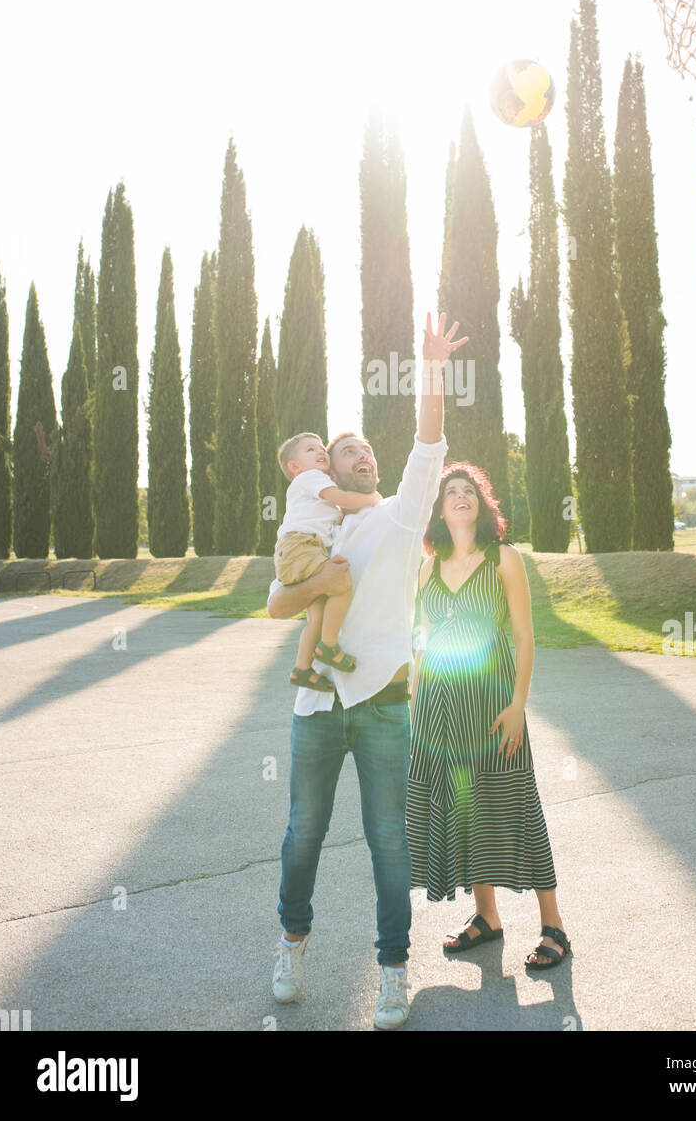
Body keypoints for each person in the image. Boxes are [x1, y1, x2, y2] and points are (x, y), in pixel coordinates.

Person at [267, 313, 468, 1031]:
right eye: (342, 448)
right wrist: (320, 585)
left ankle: (391, 972)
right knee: (302, 834)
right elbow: (274, 603)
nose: (356, 453)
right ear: (324, 467)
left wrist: (432, 366)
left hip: (384, 702)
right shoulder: (315, 522)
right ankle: (291, 946)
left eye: (362, 448)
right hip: (316, 707)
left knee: (390, 840)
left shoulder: (399, 515)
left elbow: (429, 439)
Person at [407, 462, 571, 970]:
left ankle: (554, 926)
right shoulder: (426, 566)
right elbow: (423, 637)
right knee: (463, 806)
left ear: (481, 505)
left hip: (493, 704)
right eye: (450, 491)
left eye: (469, 490)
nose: (460, 496)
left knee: (516, 804)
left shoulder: (503, 559)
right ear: (438, 508)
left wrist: (518, 704)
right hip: (439, 705)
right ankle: (487, 918)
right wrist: (414, 699)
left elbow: (524, 636)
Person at [274, 431, 382, 689]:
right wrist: (373, 499)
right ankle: (329, 646)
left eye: (321, 447)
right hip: (302, 546)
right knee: (340, 583)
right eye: (311, 449)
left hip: (301, 549)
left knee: (317, 615)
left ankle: (302, 668)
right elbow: (343, 499)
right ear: (294, 467)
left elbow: (341, 508)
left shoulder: (315, 493)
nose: (320, 451)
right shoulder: (310, 478)